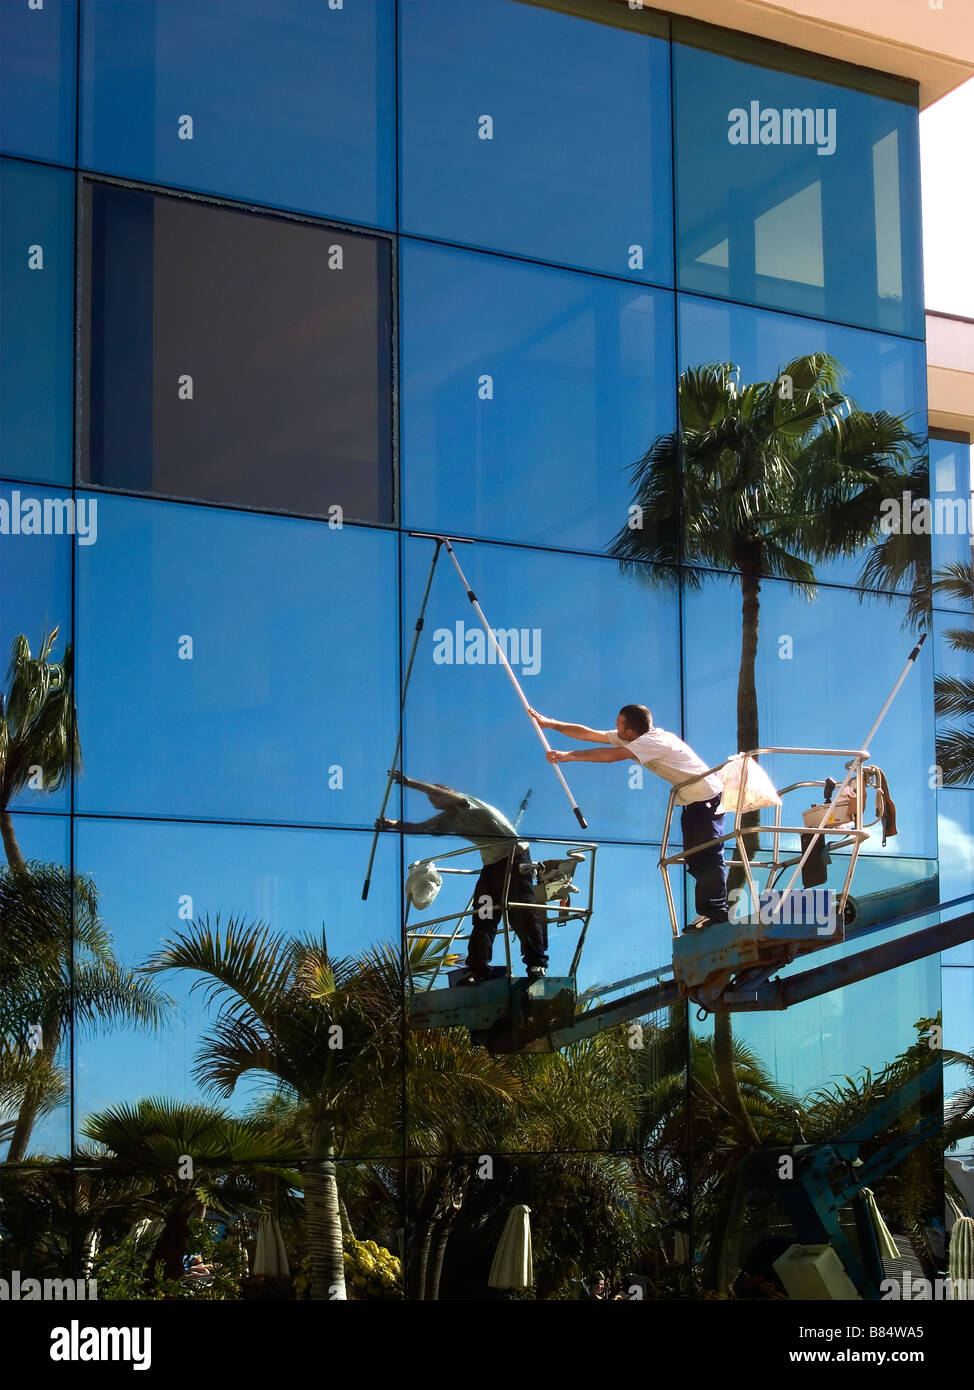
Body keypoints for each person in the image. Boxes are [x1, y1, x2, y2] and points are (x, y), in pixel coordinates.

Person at [529, 703, 728, 931]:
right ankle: (710, 912)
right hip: (692, 800)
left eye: (619, 723)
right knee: (696, 857)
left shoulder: (653, 741)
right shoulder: (635, 738)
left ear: (631, 732)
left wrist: (568, 756)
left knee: (708, 854)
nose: (615, 726)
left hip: (706, 798)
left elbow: (611, 756)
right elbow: (589, 734)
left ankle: (716, 912)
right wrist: (550, 724)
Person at [376, 771, 548, 983]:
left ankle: (536, 962)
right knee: (483, 914)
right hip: (491, 865)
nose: (432, 803)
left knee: (521, 912)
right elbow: (420, 828)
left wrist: (409, 783)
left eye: (434, 798)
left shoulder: (466, 802)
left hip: (515, 857)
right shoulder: (448, 819)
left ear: (446, 793)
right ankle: (478, 969)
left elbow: (438, 792)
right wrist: (391, 824)